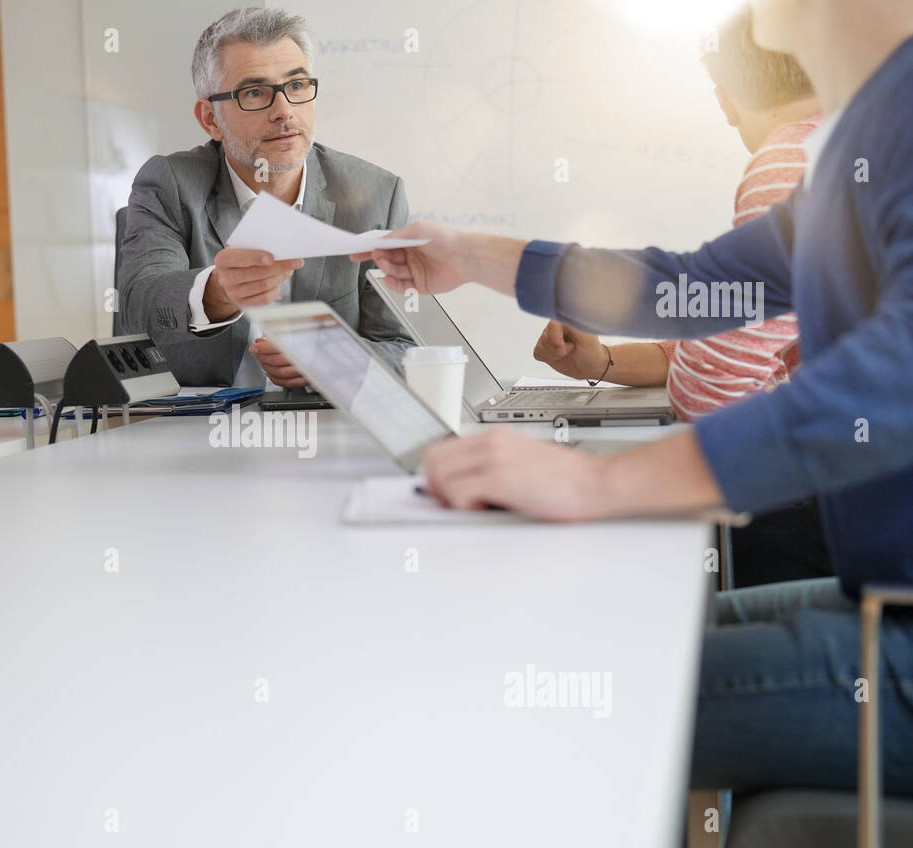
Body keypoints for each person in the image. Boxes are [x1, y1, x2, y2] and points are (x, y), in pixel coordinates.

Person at [357, 0, 913, 798]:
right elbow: (690, 286)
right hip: (882, 599)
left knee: (550, 687)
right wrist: (471, 255)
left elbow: (891, 384)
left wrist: (597, 482)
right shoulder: (861, 139)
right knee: (616, 634)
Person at [532, 8, 831, 587]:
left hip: (848, 516)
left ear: (726, 99)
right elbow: (735, 344)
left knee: (658, 614)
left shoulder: (788, 163)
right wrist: (606, 362)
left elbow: (708, 392)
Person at [115, 7, 413, 389]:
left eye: (297, 85)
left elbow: (406, 347)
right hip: (204, 430)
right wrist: (217, 292)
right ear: (210, 119)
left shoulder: (377, 195)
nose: (284, 111)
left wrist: (339, 362)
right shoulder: (171, 184)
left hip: (330, 430)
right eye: (254, 92)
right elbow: (139, 310)